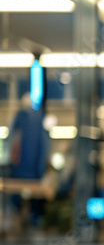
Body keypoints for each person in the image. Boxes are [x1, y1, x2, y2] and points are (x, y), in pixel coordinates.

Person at [8, 94, 50, 232]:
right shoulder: (39, 118)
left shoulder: (19, 119)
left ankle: (21, 223)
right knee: (35, 199)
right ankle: (34, 223)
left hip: (19, 170)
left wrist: (12, 164)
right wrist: (41, 167)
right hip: (34, 171)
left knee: (17, 197)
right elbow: (44, 145)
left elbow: (12, 144)